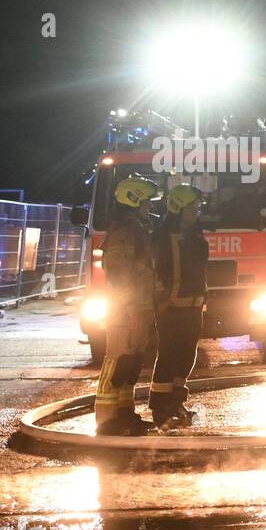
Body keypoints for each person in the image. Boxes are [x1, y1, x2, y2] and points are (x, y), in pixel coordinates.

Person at [94, 175, 160, 436]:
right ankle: (107, 419)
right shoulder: (122, 234)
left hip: (137, 309)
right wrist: (131, 309)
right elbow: (121, 276)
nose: (150, 208)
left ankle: (124, 415)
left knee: (130, 364)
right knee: (118, 361)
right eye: (146, 203)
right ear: (133, 201)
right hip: (125, 311)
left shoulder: (137, 230)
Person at [149, 184, 208, 429]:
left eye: (197, 208)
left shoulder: (194, 234)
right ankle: (159, 409)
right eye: (192, 208)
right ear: (178, 209)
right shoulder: (163, 235)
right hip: (171, 308)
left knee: (186, 357)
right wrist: (162, 300)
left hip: (193, 306)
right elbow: (156, 271)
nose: (196, 212)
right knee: (168, 357)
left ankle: (175, 403)